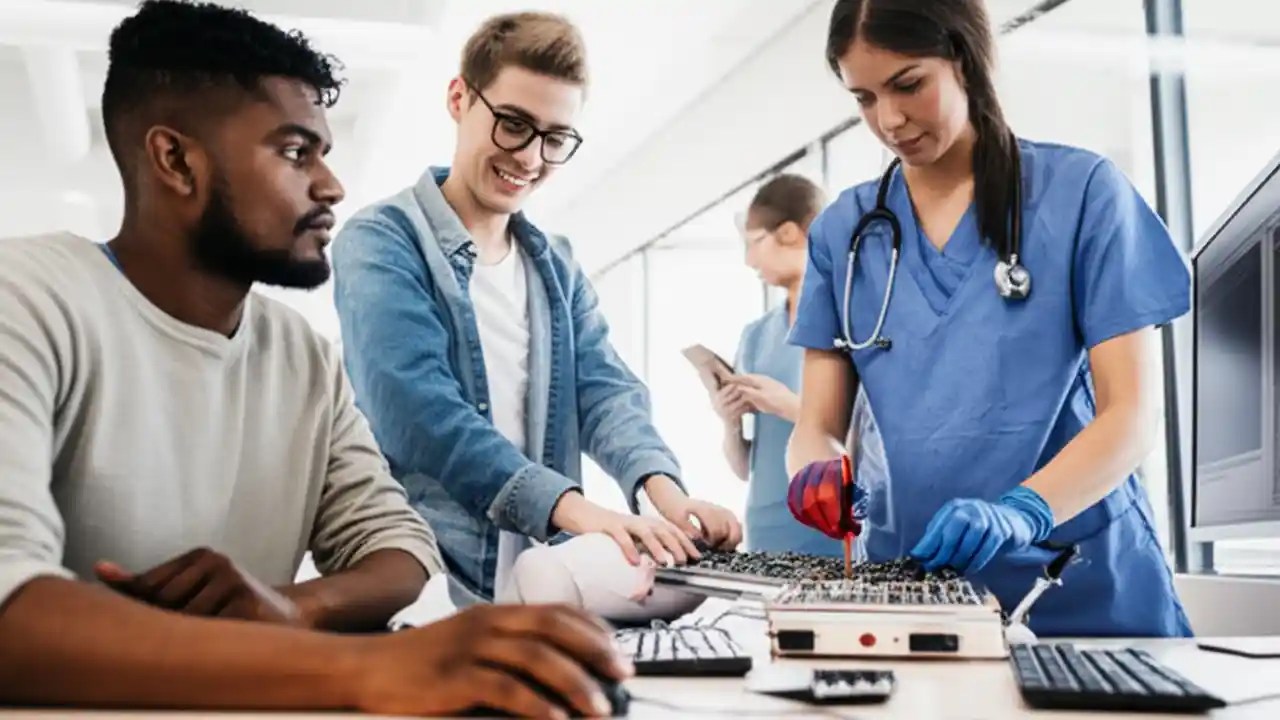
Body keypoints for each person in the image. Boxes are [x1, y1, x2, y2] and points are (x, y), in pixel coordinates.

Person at [0, 3, 630, 717]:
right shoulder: (26, 298)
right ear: (175, 159)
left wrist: (292, 607)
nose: (330, 184)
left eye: (324, 153)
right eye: (297, 152)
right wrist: (365, 668)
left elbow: (398, 548)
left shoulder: (300, 356)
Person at [785, 0, 1192, 638]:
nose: (888, 120)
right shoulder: (845, 232)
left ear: (966, 60)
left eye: (908, 84)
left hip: (1083, 586)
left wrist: (1027, 509)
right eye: (863, 98)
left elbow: (1131, 416)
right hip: (920, 596)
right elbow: (816, 428)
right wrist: (815, 471)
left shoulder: (1081, 192)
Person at [331, 11, 742, 601]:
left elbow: (604, 391)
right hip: (430, 582)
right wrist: (578, 511)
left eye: (554, 137)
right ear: (459, 98)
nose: (529, 157)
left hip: (543, 584)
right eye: (513, 124)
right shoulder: (381, 242)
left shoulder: (556, 264)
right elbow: (419, 413)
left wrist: (669, 497)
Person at [708, 174, 884, 556]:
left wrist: (789, 405)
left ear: (790, 233)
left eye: (754, 243)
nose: (748, 259)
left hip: (837, 537)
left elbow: (873, 451)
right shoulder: (755, 336)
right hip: (766, 535)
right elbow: (745, 470)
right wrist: (730, 423)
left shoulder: (860, 324)